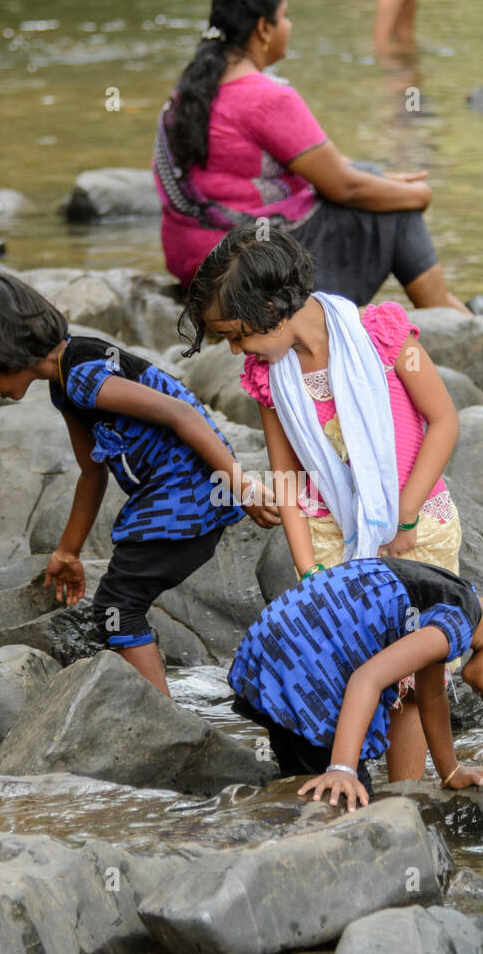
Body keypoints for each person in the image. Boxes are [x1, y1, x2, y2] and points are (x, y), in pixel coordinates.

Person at [182, 225, 462, 781]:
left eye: (238, 335)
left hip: (420, 526)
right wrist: (306, 563)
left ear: (272, 308)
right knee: (343, 666)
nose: (236, 349)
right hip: (331, 533)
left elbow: (443, 420)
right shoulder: (269, 374)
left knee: (407, 676)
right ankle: (345, 788)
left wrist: (404, 518)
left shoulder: (380, 335)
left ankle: (404, 803)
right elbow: (285, 475)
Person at [0, 273, 279, 696]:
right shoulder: (67, 381)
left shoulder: (83, 378)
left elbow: (182, 414)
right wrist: (68, 550)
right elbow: (91, 470)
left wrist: (242, 486)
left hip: (184, 498)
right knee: (121, 604)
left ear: (3, 355)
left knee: (119, 607)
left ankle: (162, 719)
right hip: (181, 497)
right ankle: (164, 708)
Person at [152, 0, 468, 313]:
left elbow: (325, 165)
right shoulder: (265, 97)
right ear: (263, 28)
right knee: (394, 211)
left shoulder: (192, 86)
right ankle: (441, 315)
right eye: (285, 15)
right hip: (249, 275)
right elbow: (344, 188)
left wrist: (387, 182)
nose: (289, 25)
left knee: (372, 177)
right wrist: (417, 196)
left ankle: (449, 310)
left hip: (197, 264)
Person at [229, 560, 483, 810]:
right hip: (307, 666)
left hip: (280, 647)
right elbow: (367, 679)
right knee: (351, 805)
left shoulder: (459, 602)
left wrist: (452, 772)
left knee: (303, 779)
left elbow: (431, 696)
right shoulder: (455, 626)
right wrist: (342, 768)